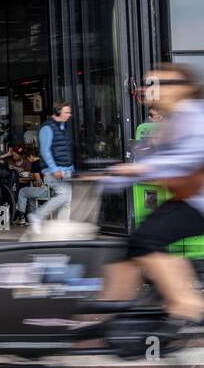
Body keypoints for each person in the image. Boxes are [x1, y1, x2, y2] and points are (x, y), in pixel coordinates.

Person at [97, 63, 204, 335]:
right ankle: (112, 313)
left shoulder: (193, 115)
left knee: (148, 239)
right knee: (134, 244)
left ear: (184, 90)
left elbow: (188, 158)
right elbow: (153, 161)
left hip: (198, 201)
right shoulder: (170, 121)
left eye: (159, 84)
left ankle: (188, 304)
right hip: (189, 198)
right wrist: (111, 179)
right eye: (149, 84)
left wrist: (140, 169)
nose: (151, 89)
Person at [32, 101, 75, 225]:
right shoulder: (47, 128)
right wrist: (54, 168)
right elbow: (45, 150)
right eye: (67, 112)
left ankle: (62, 229)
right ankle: (37, 215)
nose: (69, 115)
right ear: (58, 112)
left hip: (66, 170)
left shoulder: (64, 127)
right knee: (64, 196)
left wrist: (71, 167)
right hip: (53, 171)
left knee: (67, 200)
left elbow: (65, 150)